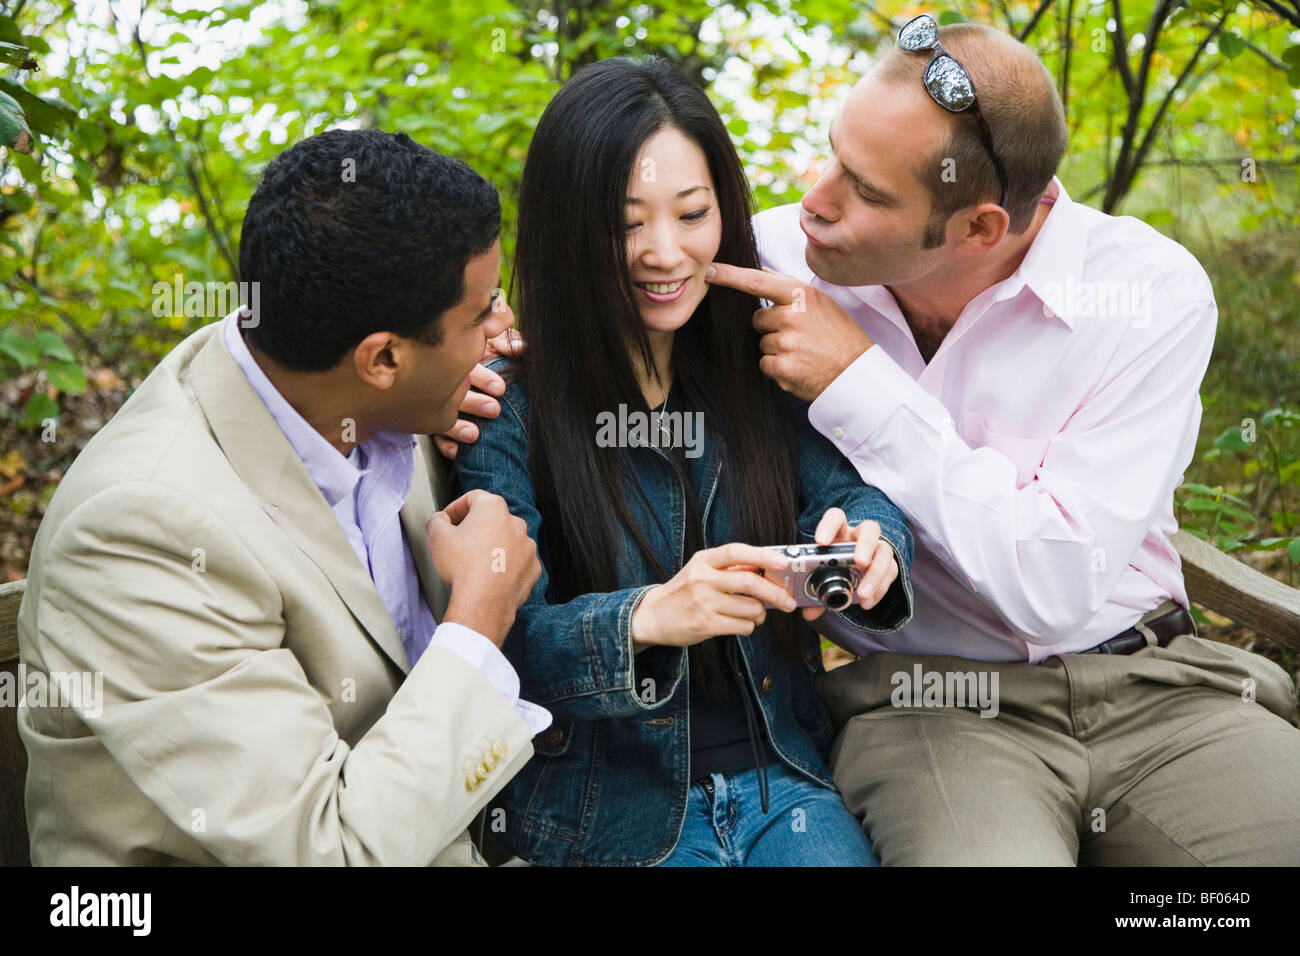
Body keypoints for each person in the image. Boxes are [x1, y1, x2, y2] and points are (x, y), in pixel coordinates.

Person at [700, 16, 1300, 864]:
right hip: (929, 706)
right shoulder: (776, 262)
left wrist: (856, 385)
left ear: (980, 229)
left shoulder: (1146, 293)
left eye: (866, 192)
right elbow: (607, 321)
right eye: (830, 151)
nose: (814, 200)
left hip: (1161, 691)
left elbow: (1055, 585)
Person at [17, 129, 550, 865]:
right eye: (484, 310)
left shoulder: (338, 381)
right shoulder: (141, 529)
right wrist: (474, 627)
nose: (504, 328)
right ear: (384, 357)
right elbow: (327, 851)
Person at [451, 56, 915, 867]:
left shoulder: (760, 363)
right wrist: (646, 618)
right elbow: (496, 645)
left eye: (691, 214)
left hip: (786, 783)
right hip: (609, 810)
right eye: (626, 222)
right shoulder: (506, 404)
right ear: (567, 228)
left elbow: (853, 494)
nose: (665, 253)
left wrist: (869, 540)